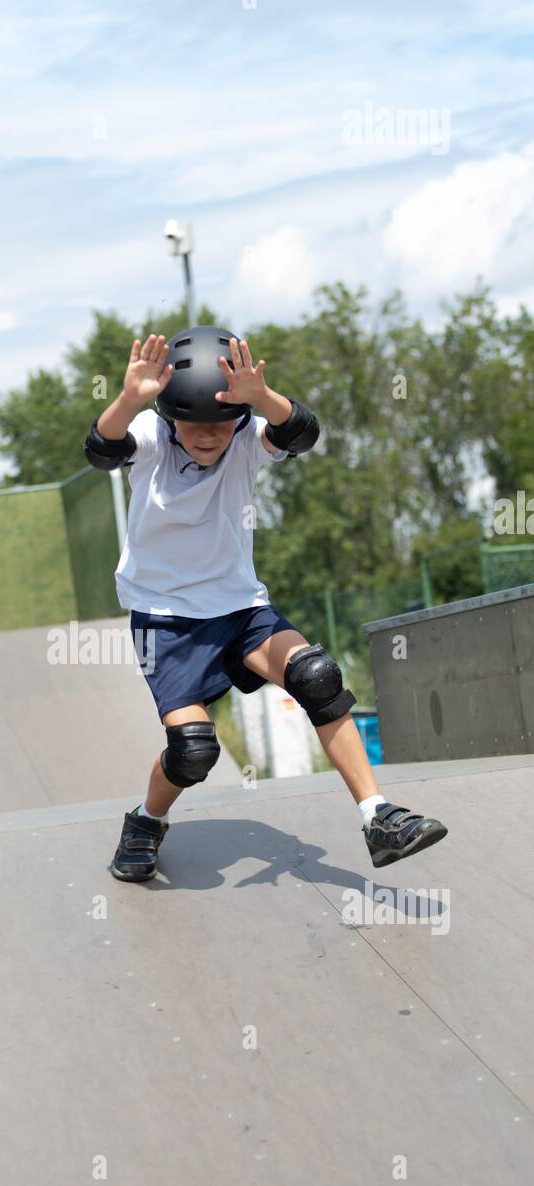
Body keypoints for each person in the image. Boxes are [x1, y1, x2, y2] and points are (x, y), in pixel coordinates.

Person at [83, 325, 448, 882]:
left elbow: (301, 432)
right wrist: (128, 399)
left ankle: (378, 817)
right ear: (169, 416)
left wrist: (260, 399)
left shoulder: (249, 436)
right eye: (195, 424)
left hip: (239, 609)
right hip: (165, 618)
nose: (209, 437)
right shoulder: (152, 440)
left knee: (318, 677)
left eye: (222, 424)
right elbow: (103, 450)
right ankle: (145, 821)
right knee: (193, 750)